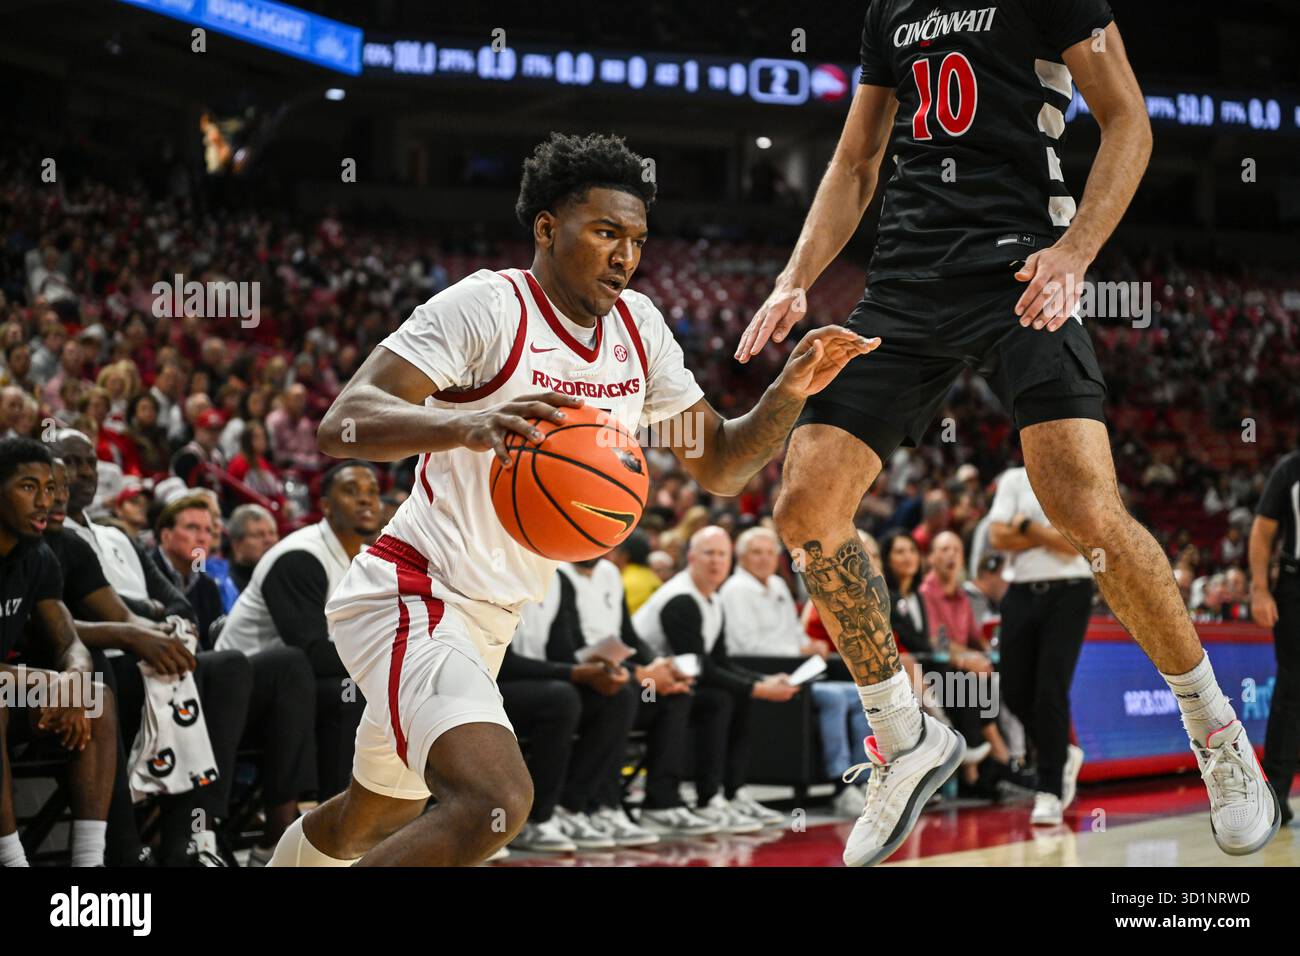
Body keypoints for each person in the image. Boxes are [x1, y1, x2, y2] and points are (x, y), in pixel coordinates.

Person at [736, 0, 1277, 863]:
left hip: (1024, 259)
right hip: (908, 282)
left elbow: (1127, 120)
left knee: (1081, 502)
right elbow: (856, 157)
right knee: (804, 506)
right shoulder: (889, 10)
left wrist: (1077, 253)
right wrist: (797, 278)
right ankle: (905, 736)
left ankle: (1214, 732)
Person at [269, 132, 869, 867]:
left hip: (492, 617)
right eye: (607, 232)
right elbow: (344, 423)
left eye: (638, 240)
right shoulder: (487, 308)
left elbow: (717, 463)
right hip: (412, 593)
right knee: (496, 804)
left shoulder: (639, 331)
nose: (625, 256)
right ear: (547, 229)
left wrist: (787, 392)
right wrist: (468, 423)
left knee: (377, 813)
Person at [217, 462, 381, 814]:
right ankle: (334, 821)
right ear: (325, 506)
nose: (366, 500)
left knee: (399, 691)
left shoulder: (370, 562)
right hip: (243, 692)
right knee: (348, 695)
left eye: (372, 492)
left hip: (301, 690)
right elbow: (309, 652)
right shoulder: (301, 556)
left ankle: (380, 818)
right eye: (351, 491)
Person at [0, 437, 116, 868]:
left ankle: (90, 863)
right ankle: (12, 860)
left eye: (50, 488)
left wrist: (74, 680)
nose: (44, 500)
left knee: (96, 698)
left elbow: (69, 642)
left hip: (10, 691)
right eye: (28, 487)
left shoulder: (38, 555)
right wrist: (53, 682)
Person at [634, 526, 797, 832]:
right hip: (646, 690)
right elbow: (699, 667)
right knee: (720, 698)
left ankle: (728, 793)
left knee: (732, 697)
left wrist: (761, 680)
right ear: (691, 558)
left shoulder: (712, 598)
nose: (716, 561)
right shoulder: (681, 599)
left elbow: (719, 661)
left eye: (722, 554)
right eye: (709, 553)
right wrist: (758, 686)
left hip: (678, 685)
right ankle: (674, 800)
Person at [720, 526, 869, 815]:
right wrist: (798, 651)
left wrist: (811, 645)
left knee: (858, 695)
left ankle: (864, 780)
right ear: (741, 557)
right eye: (756, 553)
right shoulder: (734, 591)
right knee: (835, 698)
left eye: (769, 553)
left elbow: (793, 634)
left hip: (800, 670)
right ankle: (841, 786)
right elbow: (745, 646)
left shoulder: (777, 586)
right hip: (769, 674)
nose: (764, 559)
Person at [988, 466, 1094, 825]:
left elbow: (1073, 544)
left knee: (1051, 688)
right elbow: (996, 537)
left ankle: (1049, 789)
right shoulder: (1013, 479)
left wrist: (1024, 527)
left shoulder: (1081, 475)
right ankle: (1061, 752)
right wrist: (1046, 534)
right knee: (1014, 689)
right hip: (1020, 591)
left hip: (1070, 592)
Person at [1251, 448, 1300, 827]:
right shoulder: (1290, 468)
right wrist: (1260, 589)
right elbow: (1263, 530)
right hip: (1294, 584)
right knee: (1290, 689)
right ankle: (1276, 796)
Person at [210, 503, 279, 612]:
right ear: (236, 544)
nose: (269, 540)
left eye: (272, 533)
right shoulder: (222, 585)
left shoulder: (283, 577)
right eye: (259, 535)